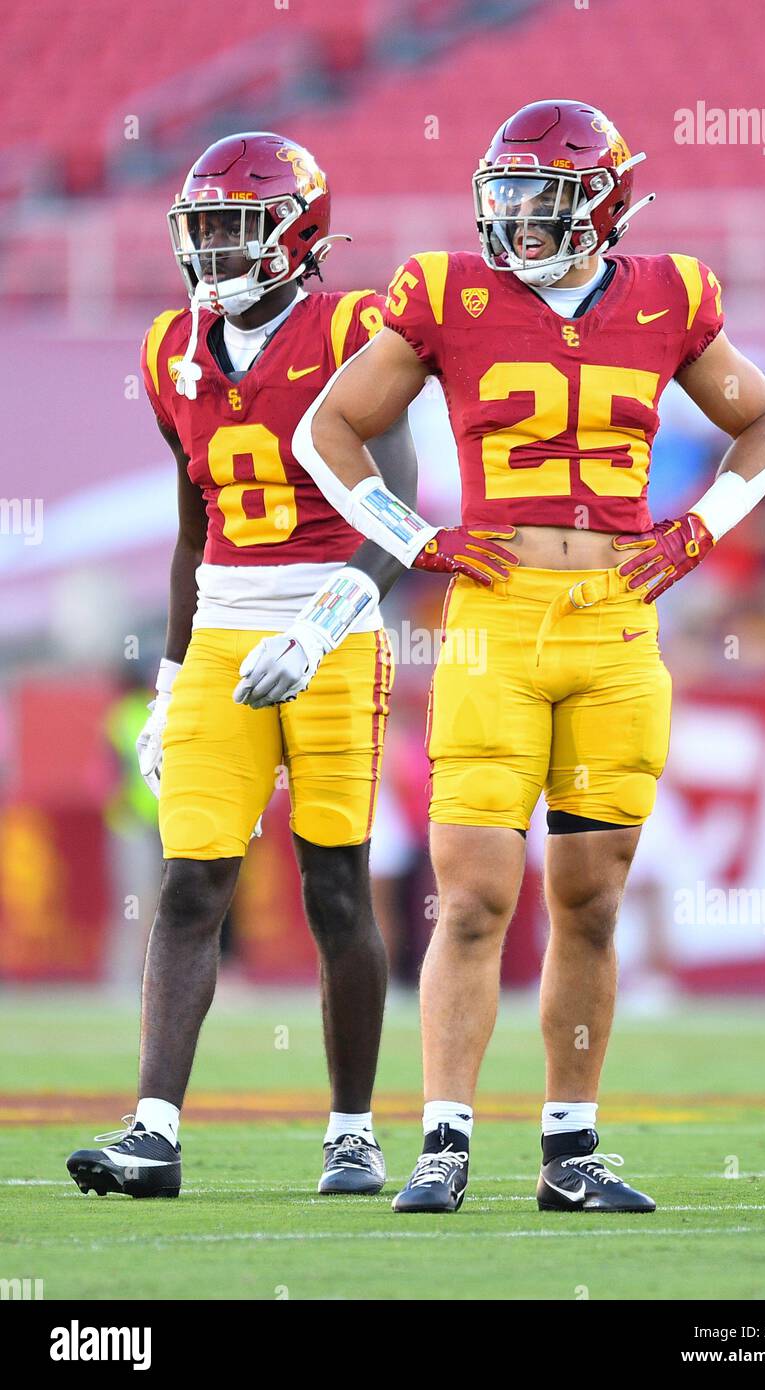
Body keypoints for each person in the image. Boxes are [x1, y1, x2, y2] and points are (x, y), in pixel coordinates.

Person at [248, 101, 765, 1213]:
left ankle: (570, 1150)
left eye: (536, 195)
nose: (512, 217)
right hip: (497, 619)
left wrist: (693, 531)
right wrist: (417, 536)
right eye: (499, 194)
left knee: (589, 900)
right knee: (472, 900)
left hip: (614, 624)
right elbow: (325, 428)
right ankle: (443, 1142)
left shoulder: (670, 293)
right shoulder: (444, 292)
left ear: (600, 198)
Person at [66, 131, 506, 1201]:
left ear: (295, 232)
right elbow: (188, 526)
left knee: (334, 891)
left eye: (234, 226)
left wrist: (313, 629)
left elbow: (397, 512)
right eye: (202, 228)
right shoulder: (171, 345)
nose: (213, 248)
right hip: (221, 628)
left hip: (336, 628)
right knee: (190, 884)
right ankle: (153, 1132)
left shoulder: (356, 327)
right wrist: (171, 679)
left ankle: (350, 1129)